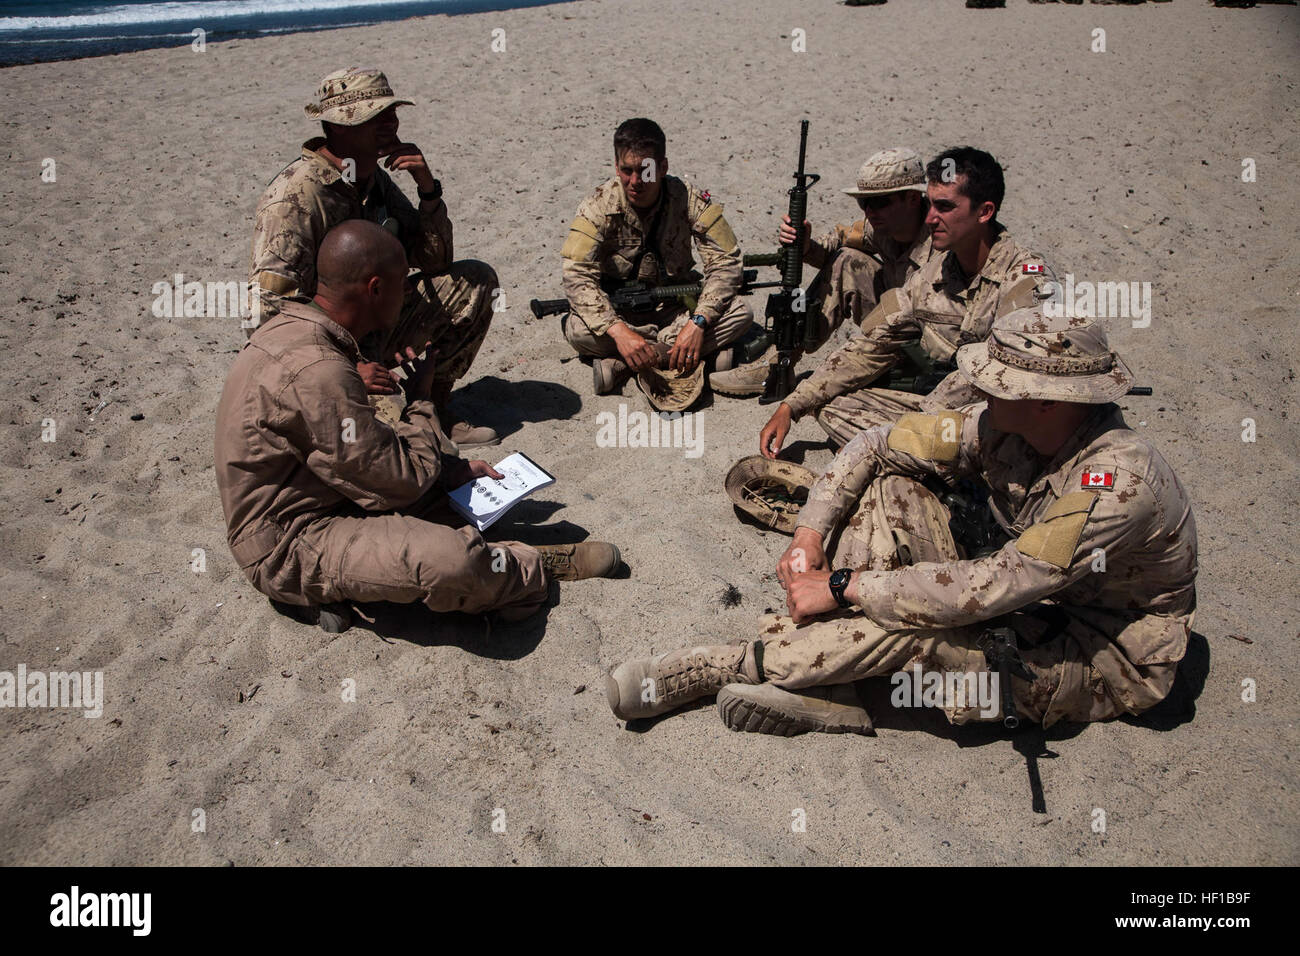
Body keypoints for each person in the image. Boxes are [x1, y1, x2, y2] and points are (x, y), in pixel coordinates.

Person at [606, 308, 1197, 737]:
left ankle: (735, 663)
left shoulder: (1115, 486)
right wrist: (810, 536)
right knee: (890, 483)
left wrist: (843, 585)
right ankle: (833, 687)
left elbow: (986, 588)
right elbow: (876, 444)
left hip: (1095, 655)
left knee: (920, 623)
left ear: (1045, 399)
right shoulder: (1009, 426)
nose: (979, 390)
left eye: (995, 382)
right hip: (1022, 596)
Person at [217, 221, 621, 629]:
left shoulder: (297, 329)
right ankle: (527, 569)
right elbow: (402, 482)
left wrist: (447, 472)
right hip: (289, 543)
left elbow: (362, 461)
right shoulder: (321, 372)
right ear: (376, 289)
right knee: (451, 562)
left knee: (448, 492)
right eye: (402, 281)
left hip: (328, 495)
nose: (409, 291)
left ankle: (480, 551)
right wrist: (423, 401)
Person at [248, 66, 498, 448]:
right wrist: (344, 367)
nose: (391, 124)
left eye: (392, 113)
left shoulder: (370, 181)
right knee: (388, 443)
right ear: (340, 127)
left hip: (378, 323)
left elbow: (434, 262)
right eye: (376, 117)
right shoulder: (297, 197)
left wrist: (428, 191)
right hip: (325, 348)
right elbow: (267, 314)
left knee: (474, 281)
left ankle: (438, 407)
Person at [757, 147, 1048, 458]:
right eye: (931, 204)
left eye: (945, 207)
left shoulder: (1026, 283)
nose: (931, 218)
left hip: (997, 420)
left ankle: (900, 456)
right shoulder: (935, 273)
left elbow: (1013, 385)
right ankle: (901, 452)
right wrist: (793, 405)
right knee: (831, 407)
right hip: (935, 404)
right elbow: (875, 342)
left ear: (985, 212)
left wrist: (923, 420)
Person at [709, 147, 931, 397]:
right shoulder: (881, 227)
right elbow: (837, 242)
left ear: (913, 198)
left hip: (926, 346)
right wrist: (806, 246)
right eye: (864, 202)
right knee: (847, 261)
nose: (869, 212)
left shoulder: (945, 243)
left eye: (880, 202)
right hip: (891, 320)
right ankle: (777, 363)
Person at [560, 118, 754, 395]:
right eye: (627, 171)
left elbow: (726, 262)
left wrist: (698, 322)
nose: (635, 182)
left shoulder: (687, 199)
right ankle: (687, 355)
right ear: (616, 167)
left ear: (663, 167)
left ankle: (626, 364)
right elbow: (576, 275)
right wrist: (618, 330)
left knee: (742, 313)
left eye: (645, 170)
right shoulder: (597, 206)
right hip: (621, 312)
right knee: (577, 330)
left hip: (678, 309)